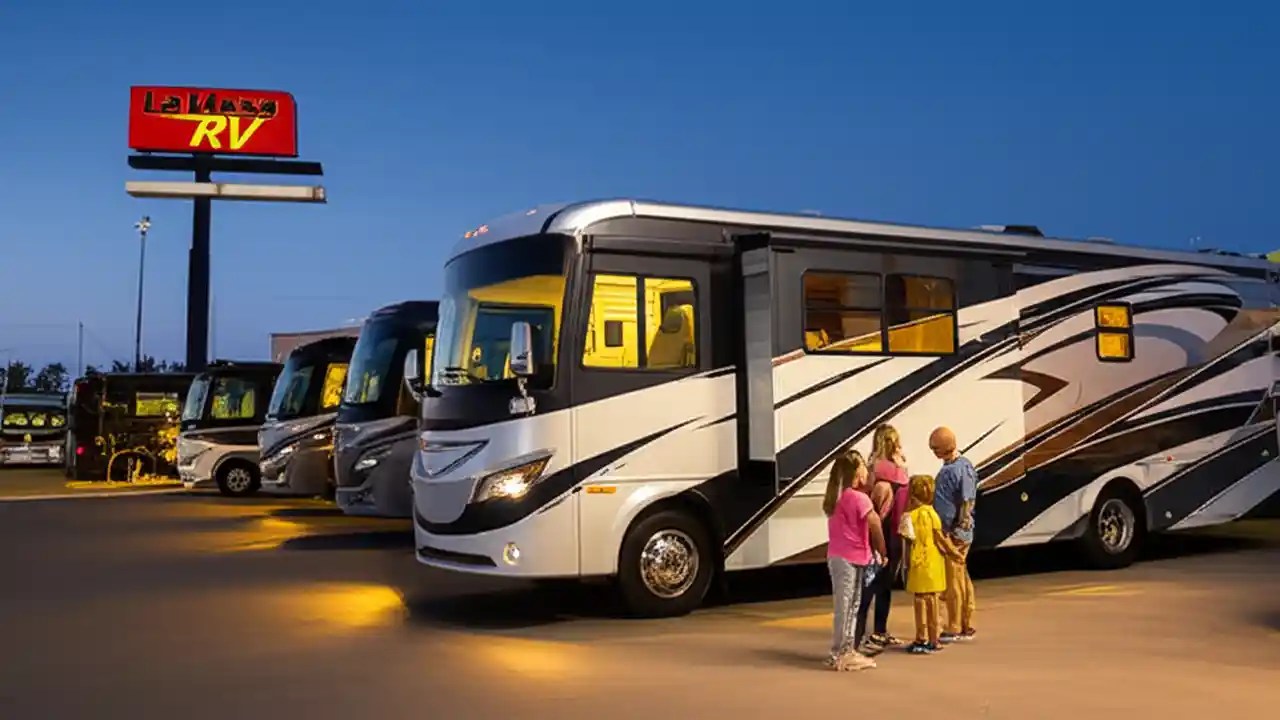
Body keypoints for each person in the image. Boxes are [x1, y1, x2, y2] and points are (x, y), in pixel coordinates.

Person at [822, 450, 887, 671]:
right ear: (854, 473)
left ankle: (844, 650)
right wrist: (883, 551)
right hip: (851, 558)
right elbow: (875, 523)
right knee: (848, 605)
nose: (866, 470)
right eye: (862, 466)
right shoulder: (859, 498)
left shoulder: (835, 498)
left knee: (848, 604)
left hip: (839, 557)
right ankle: (842, 652)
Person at [855, 423, 909, 653]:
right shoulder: (890, 470)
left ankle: (875, 632)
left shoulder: (871, 468)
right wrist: (902, 465)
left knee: (877, 584)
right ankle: (873, 633)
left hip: (878, 533)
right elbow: (904, 486)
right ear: (891, 443)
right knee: (878, 584)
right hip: (887, 533)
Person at [900, 473, 963, 654]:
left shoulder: (908, 517)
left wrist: (905, 565)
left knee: (919, 600)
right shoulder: (933, 514)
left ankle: (921, 638)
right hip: (934, 563)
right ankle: (934, 639)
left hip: (917, 563)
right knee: (933, 601)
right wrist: (954, 553)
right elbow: (940, 539)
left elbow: (906, 543)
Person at [930, 426, 978, 642]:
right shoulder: (965, 465)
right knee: (962, 575)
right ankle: (967, 621)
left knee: (953, 580)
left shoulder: (954, 470)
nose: (933, 451)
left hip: (954, 532)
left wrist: (957, 526)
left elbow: (967, 501)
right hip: (959, 530)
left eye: (934, 447)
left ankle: (955, 625)